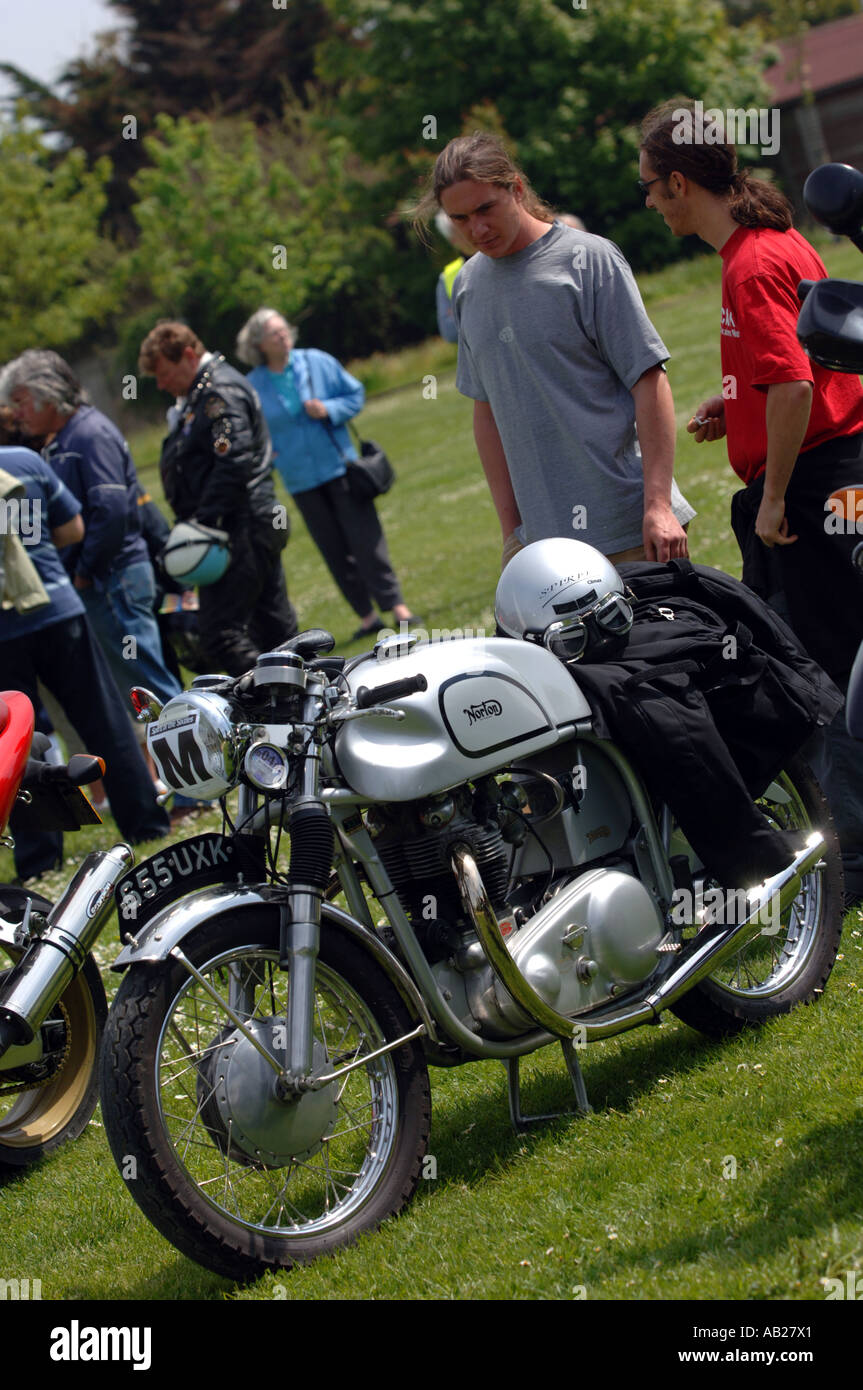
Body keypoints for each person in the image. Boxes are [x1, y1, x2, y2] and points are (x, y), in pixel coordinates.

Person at [638, 96, 863, 905]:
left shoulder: (750, 261)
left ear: (675, 183)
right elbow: (795, 366)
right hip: (824, 475)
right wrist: (732, 405)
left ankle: (850, 856)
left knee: (820, 675)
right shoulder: (771, 241)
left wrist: (770, 499)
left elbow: (800, 386)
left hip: (813, 487)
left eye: (648, 188)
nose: (648, 205)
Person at [412, 132, 694, 570]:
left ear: (516, 189)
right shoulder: (466, 287)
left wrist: (657, 505)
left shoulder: (589, 260)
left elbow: (649, 379)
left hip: (631, 526)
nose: (477, 229)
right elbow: (486, 412)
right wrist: (512, 534)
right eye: (461, 218)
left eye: (486, 209)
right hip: (546, 550)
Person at [0, 443, 169, 879]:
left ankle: (40, 859)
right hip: (57, 607)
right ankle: (146, 824)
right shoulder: (25, 460)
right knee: (104, 719)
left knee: (16, 740)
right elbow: (73, 528)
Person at [2, 350, 181, 709]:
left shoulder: (87, 433)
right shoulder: (67, 436)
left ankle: (198, 749)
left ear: (47, 391)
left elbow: (112, 511)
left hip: (112, 580)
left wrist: (86, 571)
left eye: (20, 401)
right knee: (140, 691)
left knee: (150, 689)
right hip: (108, 580)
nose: (17, 414)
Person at [236, 309, 419, 641]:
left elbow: (355, 394)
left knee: (366, 541)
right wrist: (268, 453)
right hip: (300, 478)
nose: (283, 335)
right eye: (274, 332)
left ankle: (397, 607)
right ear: (259, 344)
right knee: (332, 548)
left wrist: (329, 410)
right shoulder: (252, 386)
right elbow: (250, 431)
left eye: (284, 329)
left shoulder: (317, 361)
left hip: (340, 466)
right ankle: (366, 616)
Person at [139, 320, 298, 675]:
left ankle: (274, 704)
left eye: (164, 374)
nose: (161, 384)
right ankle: (309, 703)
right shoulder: (203, 394)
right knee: (276, 632)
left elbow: (233, 458)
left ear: (189, 355)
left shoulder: (216, 395)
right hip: (248, 523)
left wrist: (204, 521)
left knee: (219, 635)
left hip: (237, 528)